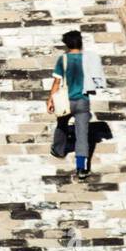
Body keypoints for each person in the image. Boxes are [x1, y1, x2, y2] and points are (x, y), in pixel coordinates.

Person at [48, 29, 95, 181]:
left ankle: (58, 150)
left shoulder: (63, 59)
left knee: (61, 124)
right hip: (82, 101)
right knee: (82, 135)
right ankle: (81, 167)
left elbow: (57, 81)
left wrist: (51, 99)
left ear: (67, 45)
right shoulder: (87, 59)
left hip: (66, 100)